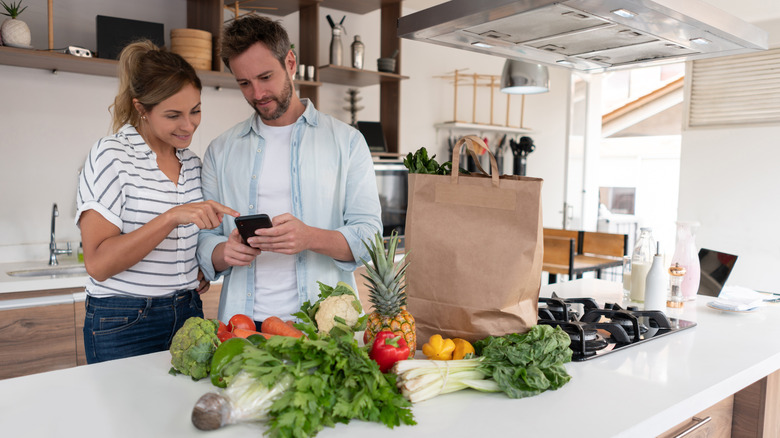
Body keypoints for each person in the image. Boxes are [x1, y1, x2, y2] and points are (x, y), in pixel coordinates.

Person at [197, 15, 382, 328]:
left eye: (265, 77)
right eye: (244, 83)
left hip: (325, 327)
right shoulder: (221, 150)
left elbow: (370, 238)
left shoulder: (347, 141)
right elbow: (203, 239)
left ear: (291, 62)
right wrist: (223, 251)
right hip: (242, 327)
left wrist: (310, 237)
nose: (257, 94)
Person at [76, 40, 239, 364]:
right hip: (124, 320)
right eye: (173, 115)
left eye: (196, 111)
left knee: (180, 414)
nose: (189, 125)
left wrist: (196, 267)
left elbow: (192, 245)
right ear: (141, 109)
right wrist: (170, 218)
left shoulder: (193, 164)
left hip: (189, 312)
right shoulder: (112, 155)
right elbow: (98, 263)